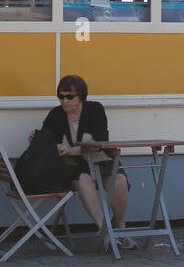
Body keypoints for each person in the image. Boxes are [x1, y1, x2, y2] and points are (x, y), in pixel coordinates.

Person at [37, 75, 132, 249]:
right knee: (83, 180)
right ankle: (107, 232)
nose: (64, 101)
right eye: (61, 96)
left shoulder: (95, 110)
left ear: (81, 96)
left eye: (69, 96)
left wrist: (72, 150)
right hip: (73, 165)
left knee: (119, 180)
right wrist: (43, 141)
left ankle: (120, 230)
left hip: (99, 159)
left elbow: (101, 141)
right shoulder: (56, 114)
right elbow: (47, 141)